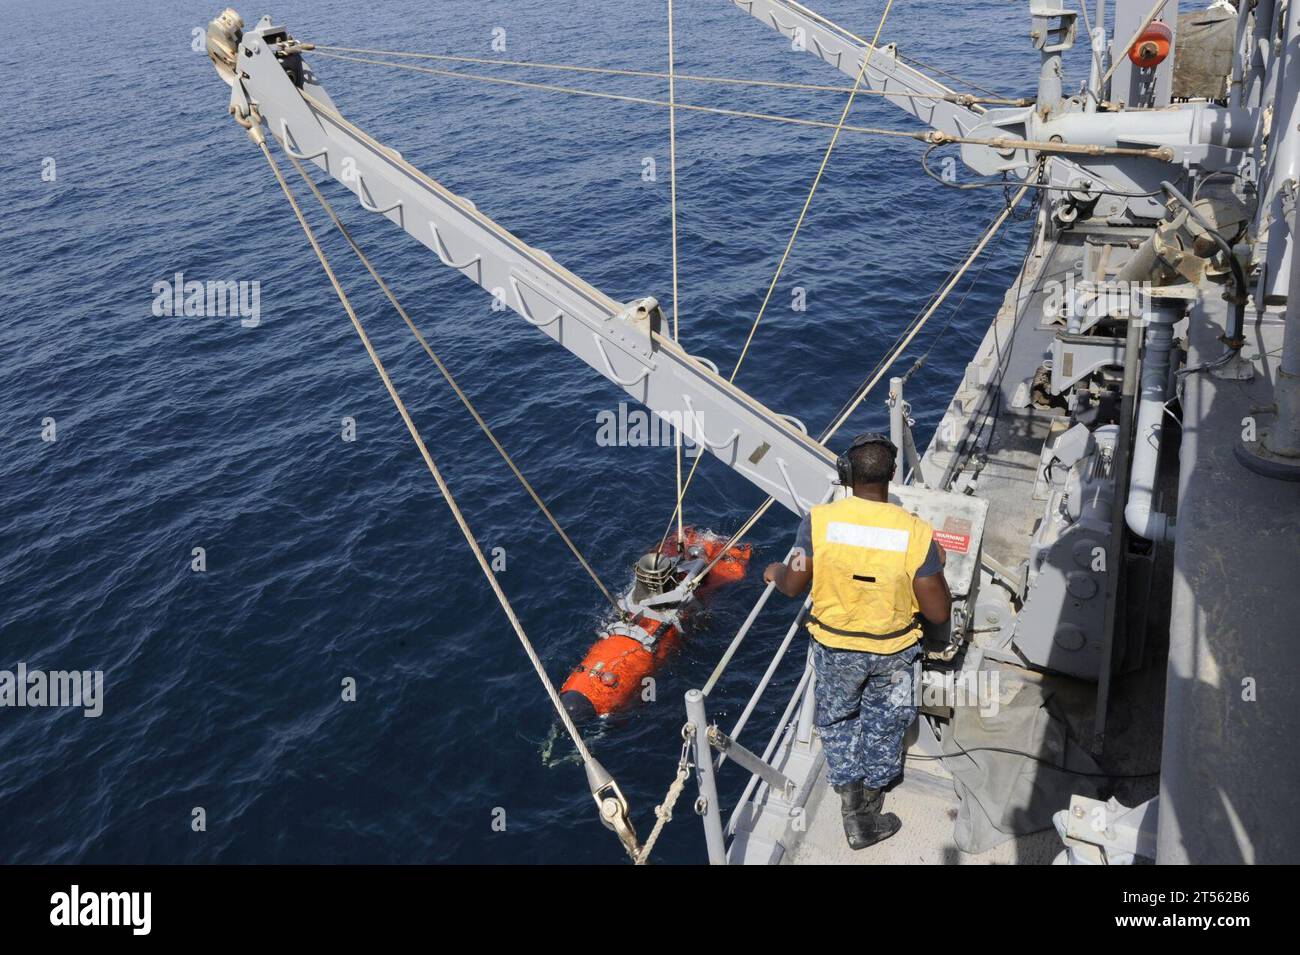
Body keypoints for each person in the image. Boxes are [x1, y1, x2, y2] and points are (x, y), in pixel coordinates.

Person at [764, 433, 951, 850]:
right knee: (887, 720)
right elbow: (938, 613)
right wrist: (935, 566)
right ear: (892, 475)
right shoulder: (916, 533)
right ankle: (870, 800)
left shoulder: (818, 522)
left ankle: (849, 797)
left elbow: (793, 583)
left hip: (835, 649)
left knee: (836, 718)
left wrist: (774, 570)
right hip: (894, 651)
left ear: (845, 475)